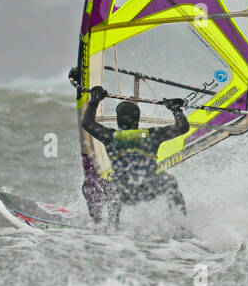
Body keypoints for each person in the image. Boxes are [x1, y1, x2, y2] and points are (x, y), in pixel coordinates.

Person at [81, 84, 189, 222]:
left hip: (123, 193)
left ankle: (106, 223)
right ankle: (181, 222)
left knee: (94, 183)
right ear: (137, 119)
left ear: (118, 119)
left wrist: (94, 100)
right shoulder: (152, 135)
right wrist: (176, 110)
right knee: (170, 181)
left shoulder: (110, 136)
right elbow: (183, 127)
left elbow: (87, 123)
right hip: (148, 190)